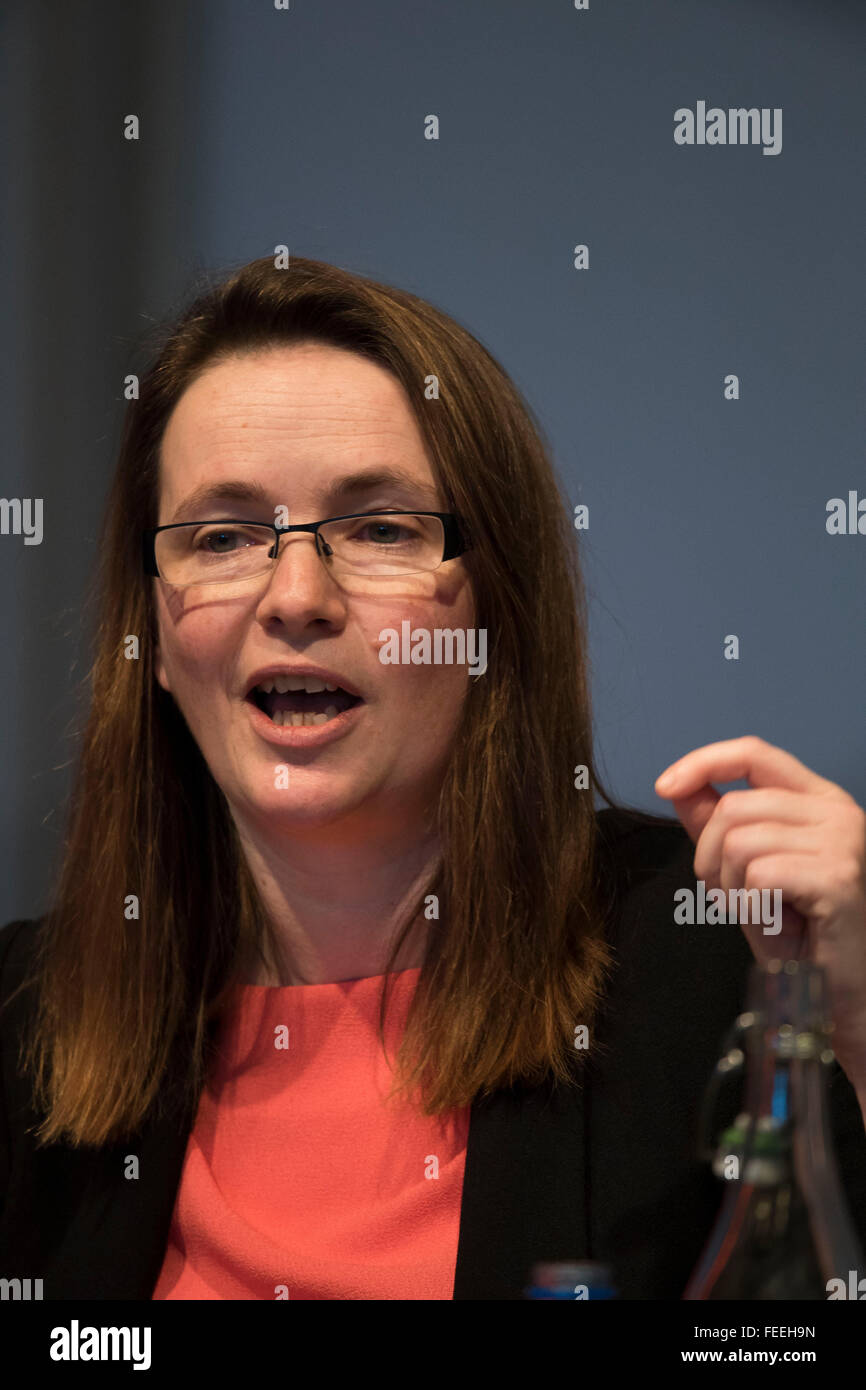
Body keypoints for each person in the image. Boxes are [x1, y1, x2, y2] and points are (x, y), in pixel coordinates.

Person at [1, 255, 865, 1301]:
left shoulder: (717, 958)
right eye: (223, 537)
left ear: (494, 611)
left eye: (377, 529)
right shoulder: (24, 1023)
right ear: (151, 633)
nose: (296, 595)